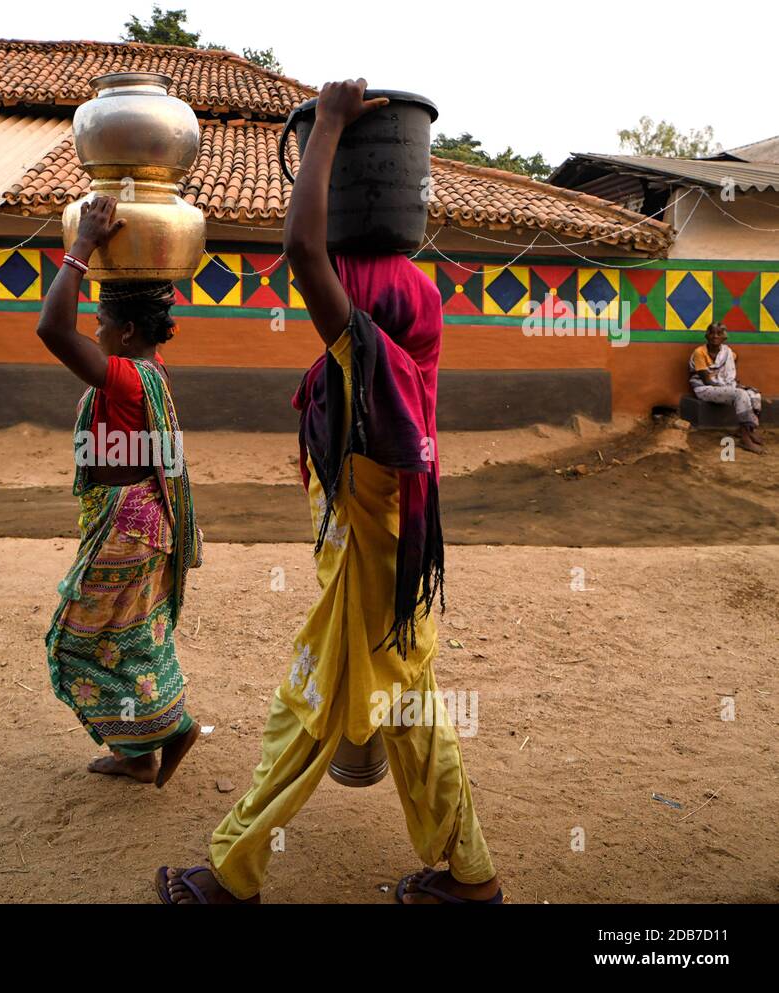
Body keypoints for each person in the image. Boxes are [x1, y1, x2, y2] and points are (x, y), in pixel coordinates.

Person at [156, 79, 503, 904]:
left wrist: (333, 126)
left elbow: (305, 251)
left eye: (341, 291)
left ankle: (228, 875)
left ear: (363, 305)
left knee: (305, 709)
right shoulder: (395, 356)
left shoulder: (367, 348)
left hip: (371, 570)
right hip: (389, 563)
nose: (323, 301)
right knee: (415, 719)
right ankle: (469, 876)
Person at [36, 195, 203, 788]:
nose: (95, 330)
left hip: (127, 528)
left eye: (102, 323)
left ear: (126, 330)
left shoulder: (128, 377)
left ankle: (173, 726)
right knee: (124, 639)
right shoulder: (148, 374)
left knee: (76, 644)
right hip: (142, 523)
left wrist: (80, 248)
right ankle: (137, 755)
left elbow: (52, 328)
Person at [690, 323, 764, 453]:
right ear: (707, 335)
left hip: (723, 386)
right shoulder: (699, 352)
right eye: (712, 333)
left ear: (724, 337)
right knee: (740, 394)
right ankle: (745, 440)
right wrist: (731, 387)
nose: (715, 336)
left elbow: (731, 366)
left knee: (754, 394)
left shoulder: (727, 352)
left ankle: (746, 430)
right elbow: (707, 380)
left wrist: (733, 383)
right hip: (704, 388)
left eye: (719, 334)